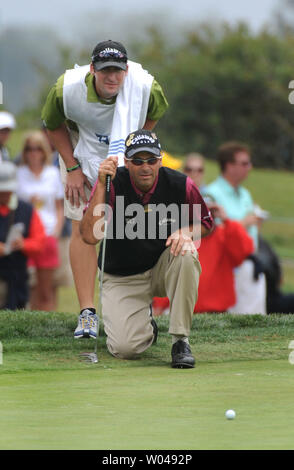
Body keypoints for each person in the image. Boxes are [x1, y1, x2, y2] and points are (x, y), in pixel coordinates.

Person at [41, 39, 169, 339]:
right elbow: (51, 123)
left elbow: (155, 113)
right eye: (105, 70)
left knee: (130, 227)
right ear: (92, 69)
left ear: (127, 70)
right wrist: (72, 167)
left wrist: (136, 146)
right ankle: (87, 313)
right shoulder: (66, 89)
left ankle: (137, 308)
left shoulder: (146, 87)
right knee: (83, 229)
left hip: (125, 153)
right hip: (79, 151)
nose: (112, 77)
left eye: (118, 70)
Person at [80, 129, 213, 368]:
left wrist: (186, 232)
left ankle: (180, 340)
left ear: (160, 160)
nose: (145, 167)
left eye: (151, 160)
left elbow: (205, 222)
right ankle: (146, 324)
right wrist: (100, 185)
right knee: (126, 349)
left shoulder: (181, 184)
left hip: (163, 266)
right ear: (127, 162)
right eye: (138, 161)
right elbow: (89, 236)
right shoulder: (111, 183)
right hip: (122, 276)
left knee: (187, 252)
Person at [204, 141, 267, 314]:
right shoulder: (211, 193)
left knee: (254, 319)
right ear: (229, 166)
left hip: (249, 261)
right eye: (245, 163)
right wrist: (244, 223)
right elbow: (211, 232)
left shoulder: (245, 193)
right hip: (228, 266)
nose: (250, 167)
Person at [16, 131, 64, 311]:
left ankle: (47, 324)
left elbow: (59, 207)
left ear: (44, 151)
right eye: (29, 149)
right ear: (24, 152)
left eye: (37, 149)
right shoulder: (19, 174)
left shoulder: (53, 173)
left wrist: (57, 231)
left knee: (47, 288)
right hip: (27, 236)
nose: (33, 153)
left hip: (48, 232)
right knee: (29, 285)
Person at [0, 161, 45, 310]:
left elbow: (40, 243)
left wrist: (23, 244)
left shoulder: (26, 209)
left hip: (18, 279)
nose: (5, 194)